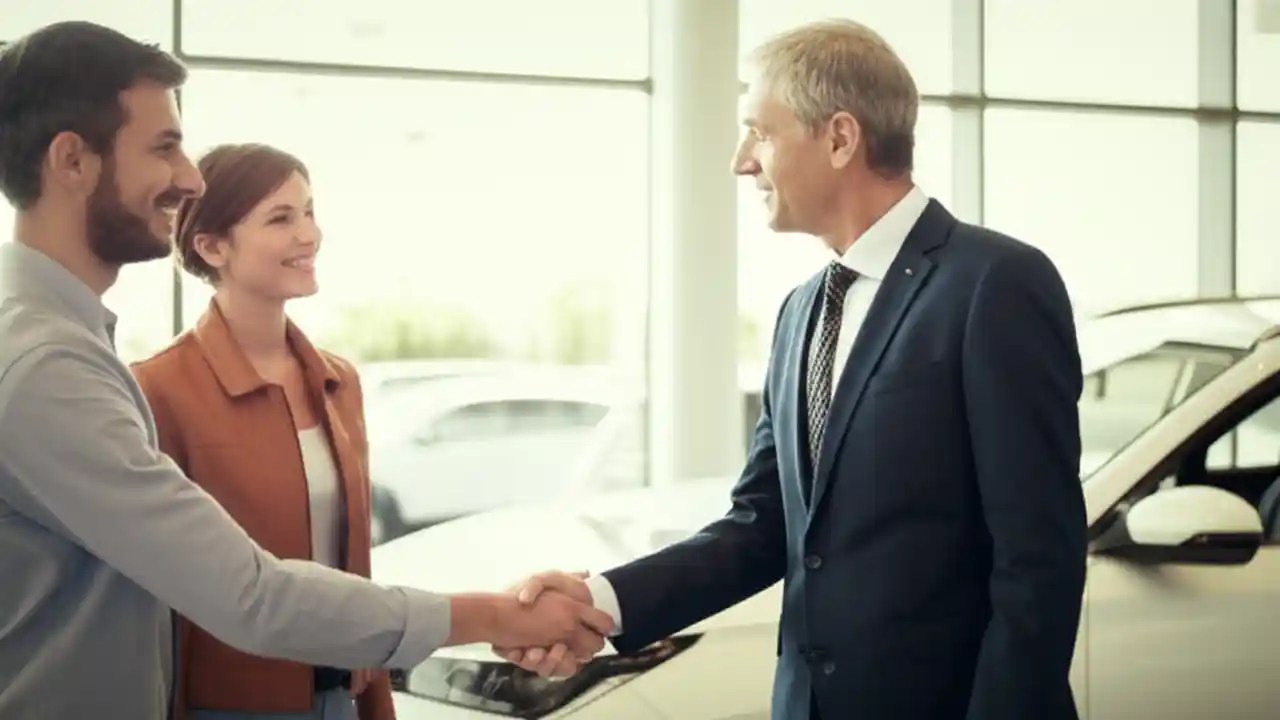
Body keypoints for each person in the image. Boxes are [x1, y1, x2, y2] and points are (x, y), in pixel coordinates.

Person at [0, 21, 611, 720]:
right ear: (72, 161)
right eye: (164, 147)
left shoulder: (64, 346)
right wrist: (501, 617)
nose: (190, 177)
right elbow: (249, 595)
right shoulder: (49, 367)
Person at [504, 19, 1087, 720]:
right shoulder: (802, 310)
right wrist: (597, 601)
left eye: (761, 131)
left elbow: (1038, 561)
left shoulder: (994, 285)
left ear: (840, 138)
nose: (742, 161)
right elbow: (762, 525)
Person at [128, 143, 390, 720]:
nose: (310, 234)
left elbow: (353, 561)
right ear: (213, 246)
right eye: (281, 218)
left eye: (309, 211)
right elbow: (158, 589)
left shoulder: (338, 381)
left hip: (342, 690)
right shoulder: (159, 389)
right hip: (228, 703)